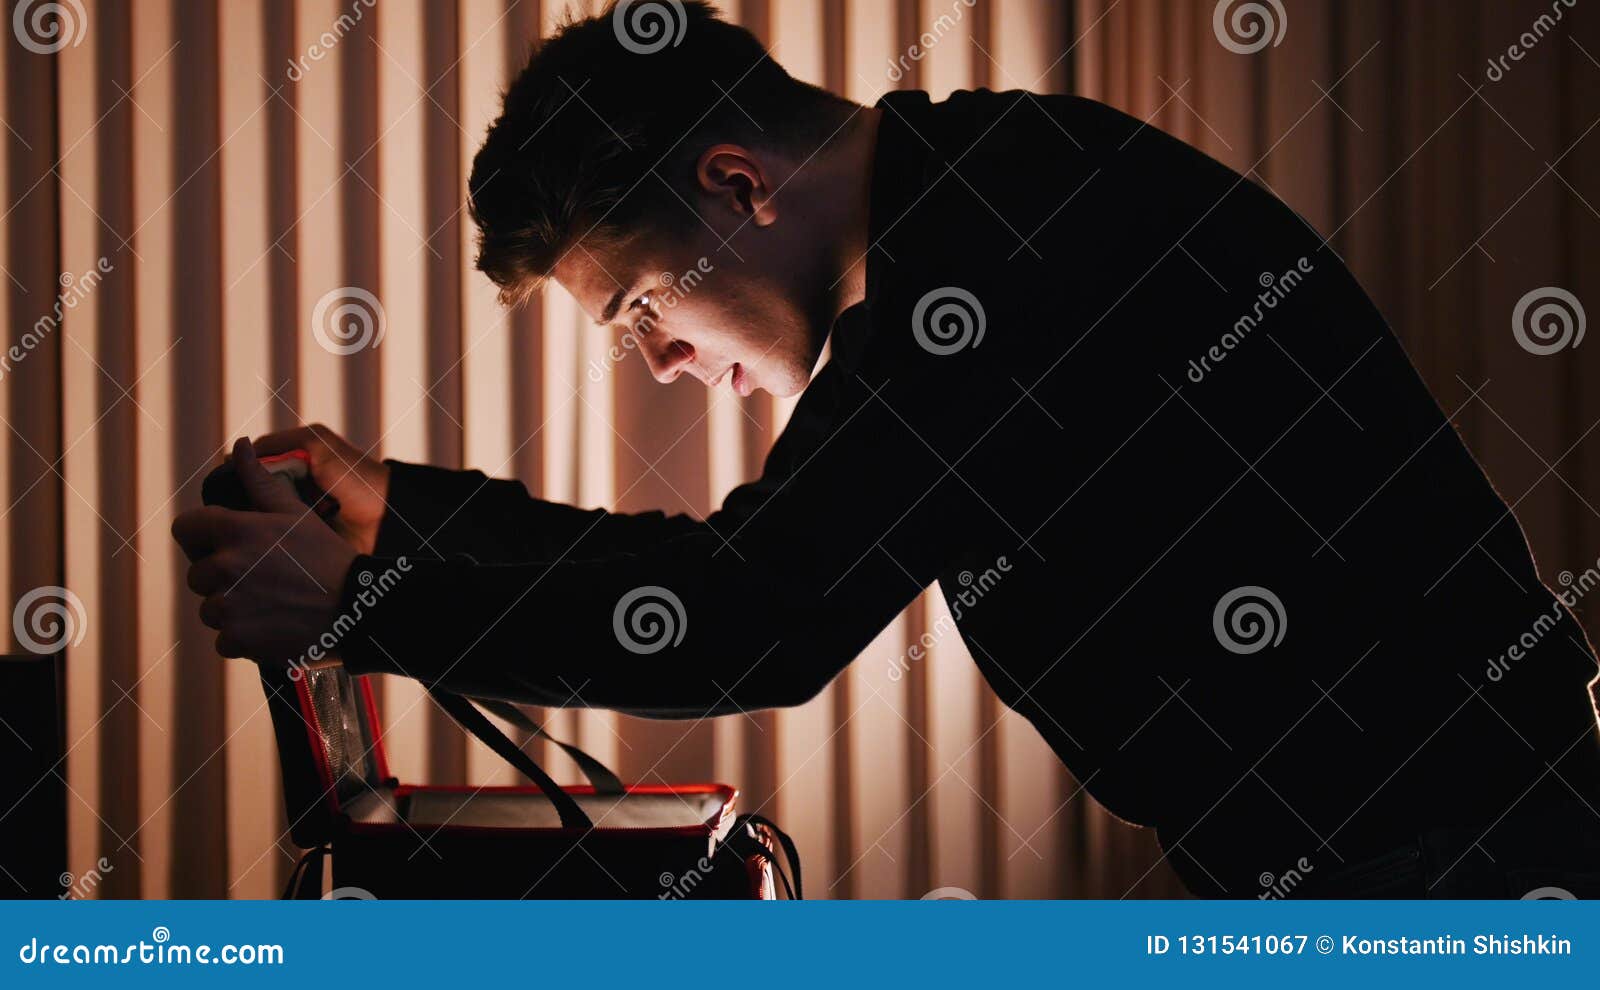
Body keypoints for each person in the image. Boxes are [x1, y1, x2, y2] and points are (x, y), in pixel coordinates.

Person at [172, 2, 1600, 897]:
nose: (662, 359)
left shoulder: (985, 261)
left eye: (643, 308)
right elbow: (742, 567)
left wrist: (366, 603)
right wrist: (404, 515)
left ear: (738, 185)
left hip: (1443, 870)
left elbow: (751, 617)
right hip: (1405, 852)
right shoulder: (970, 207)